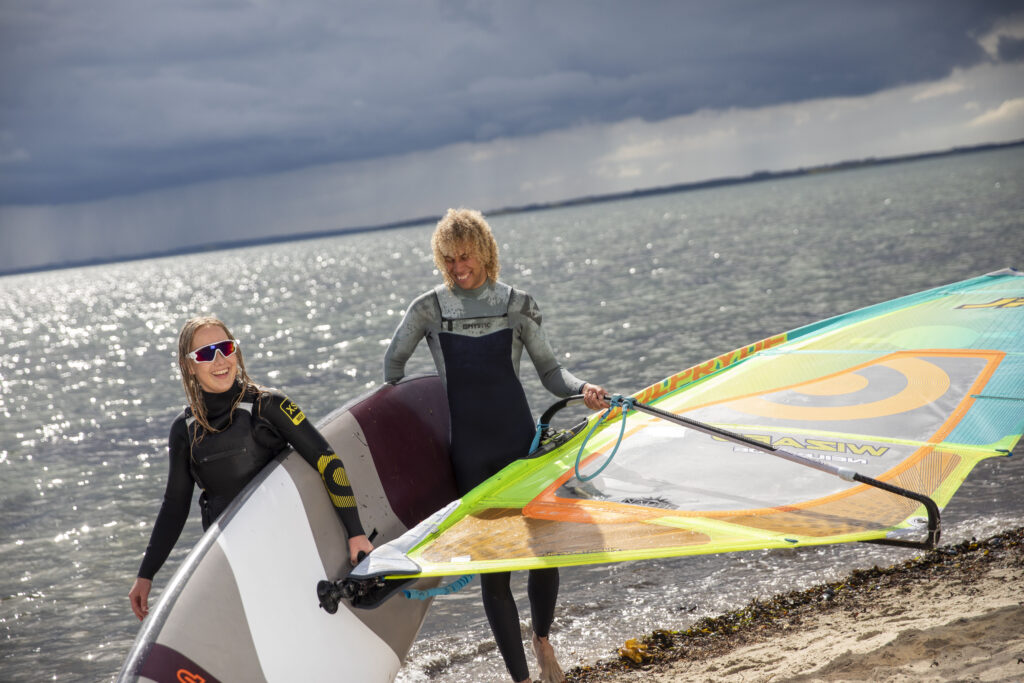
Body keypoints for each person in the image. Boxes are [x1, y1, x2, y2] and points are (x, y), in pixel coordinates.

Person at [384, 208, 608, 683]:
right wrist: (411, 435)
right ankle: (522, 679)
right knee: (495, 572)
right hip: (470, 454)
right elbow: (393, 369)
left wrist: (582, 388)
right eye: (448, 259)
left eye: (465, 256)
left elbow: (550, 372)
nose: (457, 266)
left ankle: (543, 641)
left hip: (520, 448)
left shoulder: (517, 304)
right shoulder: (429, 308)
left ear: (485, 251)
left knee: (544, 555)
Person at [128, 316, 373, 621]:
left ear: (236, 352)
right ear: (189, 366)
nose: (220, 360)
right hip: (237, 559)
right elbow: (175, 506)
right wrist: (147, 574)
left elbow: (327, 462)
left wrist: (356, 534)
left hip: (288, 547)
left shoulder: (268, 405)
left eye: (226, 348)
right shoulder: (185, 429)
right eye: (205, 354)